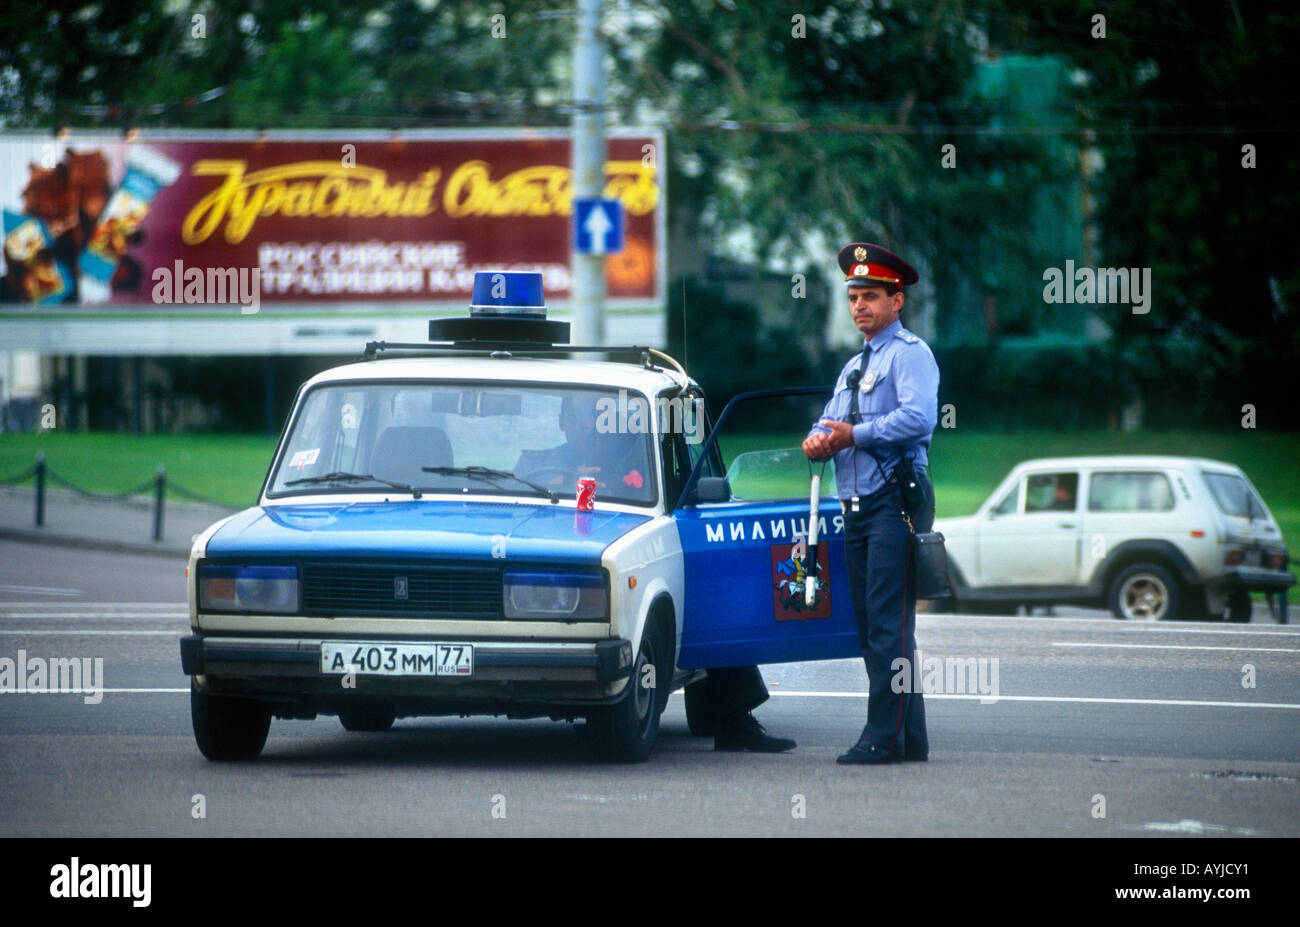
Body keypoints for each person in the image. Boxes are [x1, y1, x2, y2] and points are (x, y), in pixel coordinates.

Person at [801, 242, 939, 764]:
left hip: (893, 501)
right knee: (873, 624)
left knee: (888, 624)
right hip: (855, 504)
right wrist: (817, 440)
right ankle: (909, 739)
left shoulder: (910, 355)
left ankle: (882, 736)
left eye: (871, 296)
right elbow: (827, 421)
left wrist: (852, 436)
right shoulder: (854, 365)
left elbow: (918, 418)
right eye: (854, 297)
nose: (859, 305)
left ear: (896, 301)